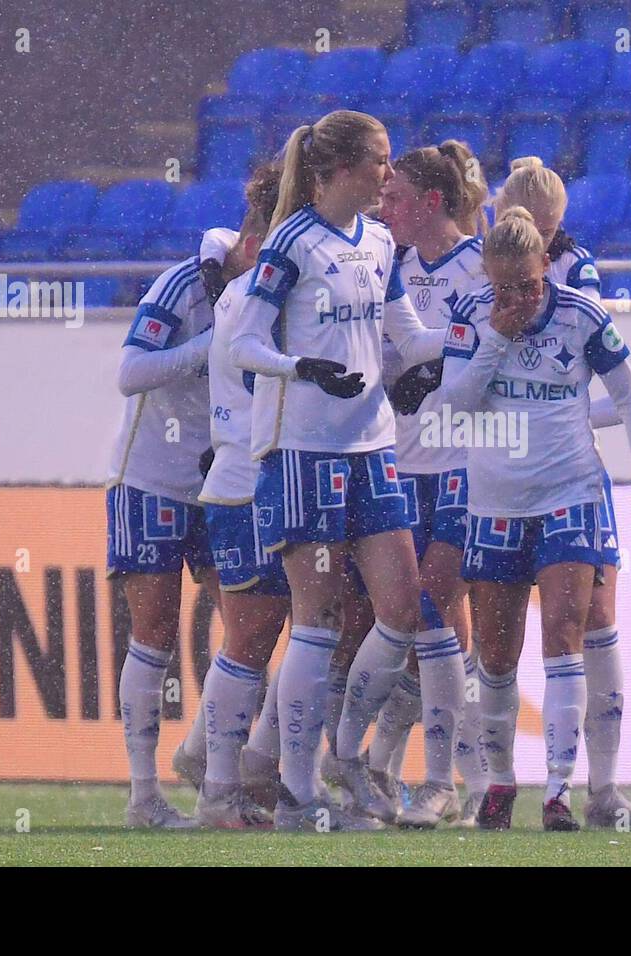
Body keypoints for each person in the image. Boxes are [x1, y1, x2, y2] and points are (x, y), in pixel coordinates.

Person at [226, 110, 449, 831]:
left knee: (402, 608)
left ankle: (344, 752)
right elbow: (245, 344)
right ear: (339, 171)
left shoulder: (380, 241)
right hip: (302, 452)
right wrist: (301, 368)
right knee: (316, 618)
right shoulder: (291, 242)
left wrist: (477, 333)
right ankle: (299, 791)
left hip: (371, 447)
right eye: (379, 163)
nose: (389, 176)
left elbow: (407, 335)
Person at [424, 206, 631, 831]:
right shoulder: (471, 317)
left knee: (564, 632)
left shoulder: (582, 316)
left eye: (528, 284)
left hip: (571, 494)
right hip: (496, 501)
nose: (520, 297)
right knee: (498, 657)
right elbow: (452, 404)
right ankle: (500, 779)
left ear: (545, 268)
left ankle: (559, 788)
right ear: (488, 277)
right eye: (505, 286)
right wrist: (498, 338)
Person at [492, 156, 631, 827]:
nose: (548, 247)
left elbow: (618, 387)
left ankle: (591, 787)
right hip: (495, 482)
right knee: (501, 642)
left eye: (552, 234)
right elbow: (452, 387)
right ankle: (498, 781)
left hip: (568, 477)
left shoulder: (577, 282)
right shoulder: (484, 282)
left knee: (589, 621)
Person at [366, 140, 490, 827]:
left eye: (394, 198)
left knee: (430, 613)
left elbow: (500, 341)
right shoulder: (391, 267)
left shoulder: (482, 265)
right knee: (418, 625)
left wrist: (447, 361)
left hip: (469, 467)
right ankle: (461, 779)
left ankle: (416, 771)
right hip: (398, 465)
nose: (382, 209)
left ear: (431, 202)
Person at [177, 165, 297, 829]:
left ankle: (224, 767)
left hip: (243, 480)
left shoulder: (241, 288)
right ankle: (220, 786)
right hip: (249, 482)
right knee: (254, 636)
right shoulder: (264, 293)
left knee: (286, 629)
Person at [107, 231, 219, 829]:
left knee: (253, 620)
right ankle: (143, 795)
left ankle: (208, 764)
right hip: (149, 477)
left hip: (219, 479)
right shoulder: (184, 284)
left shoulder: (269, 290)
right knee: (154, 631)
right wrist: (207, 345)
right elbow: (129, 372)